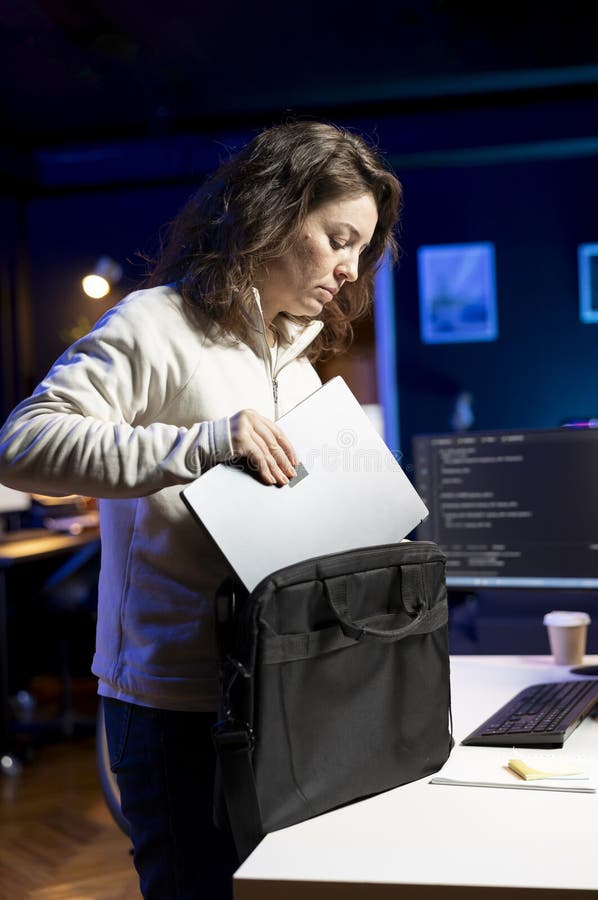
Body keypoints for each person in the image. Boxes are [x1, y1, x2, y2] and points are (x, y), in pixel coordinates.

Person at [0, 120, 402, 899]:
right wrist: (203, 444)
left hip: (276, 687)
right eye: (340, 237)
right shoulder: (155, 322)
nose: (351, 269)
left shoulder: (293, 357)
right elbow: (22, 444)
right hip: (173, 700)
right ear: (275, 211)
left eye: (363, 248)